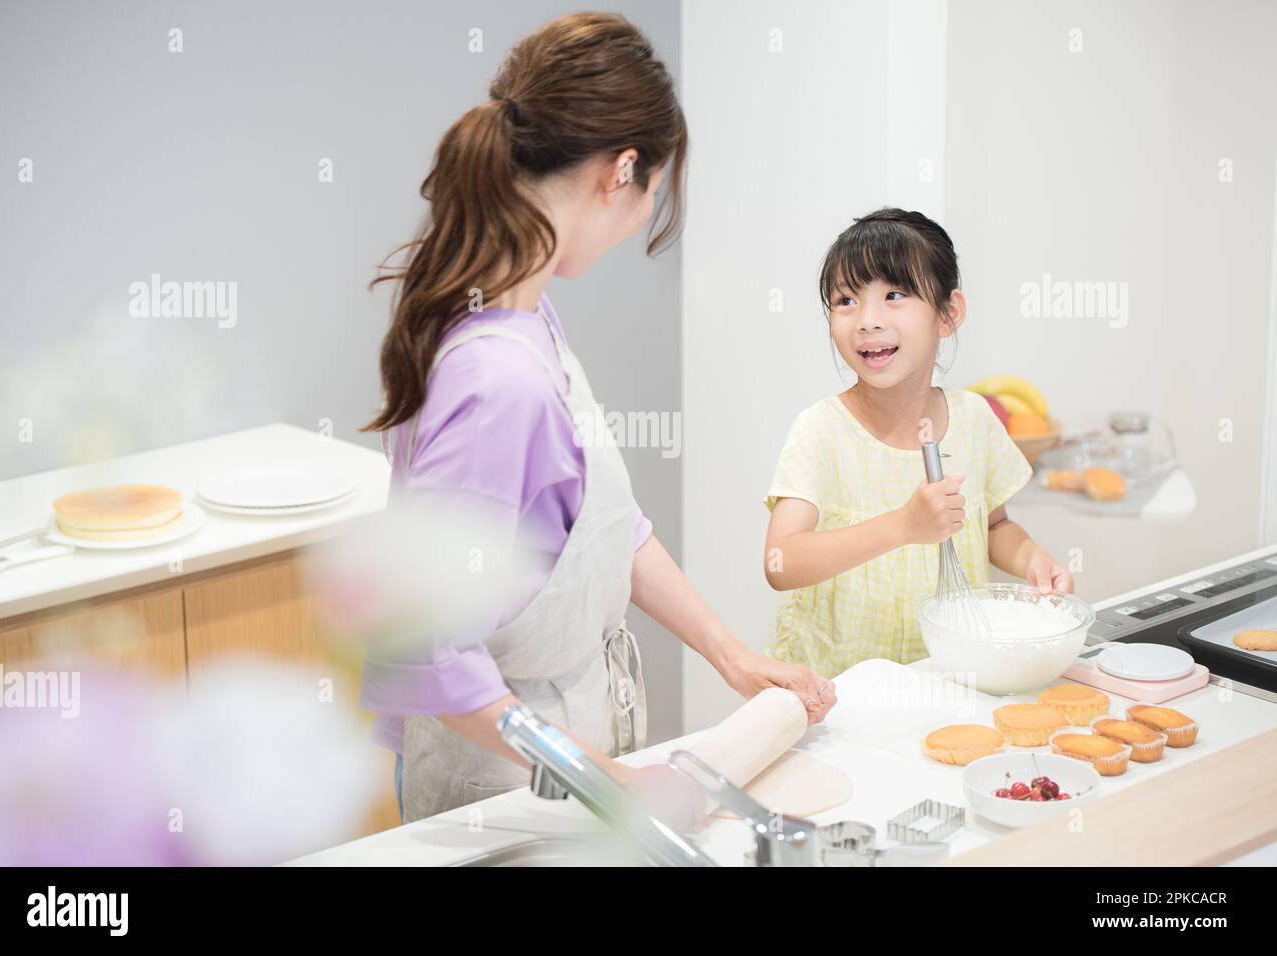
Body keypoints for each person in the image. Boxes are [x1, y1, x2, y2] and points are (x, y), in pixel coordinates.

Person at [361, 13, 837, 823]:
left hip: (560, 745)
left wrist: (731, 656)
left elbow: (612, 527)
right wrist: (599, 778)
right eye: (654, 189)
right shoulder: (499, 381)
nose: (646, 213)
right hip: (502, 777)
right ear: (622, 171)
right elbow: (426, 640)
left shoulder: (527, 316)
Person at [763, 207, 1073, 680]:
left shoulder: (974, 419)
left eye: (893, 294)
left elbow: (992, 527)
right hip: (838, 692)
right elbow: (781, 563)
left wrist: (1033, 558)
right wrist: (904, 525)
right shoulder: (822, 430)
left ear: (948, 315)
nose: (867, 320)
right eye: (846, 300)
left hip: (946, 676)